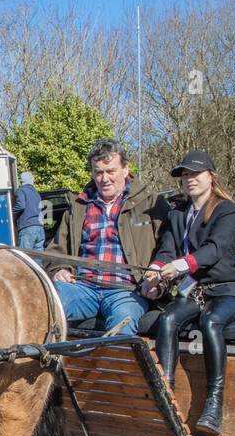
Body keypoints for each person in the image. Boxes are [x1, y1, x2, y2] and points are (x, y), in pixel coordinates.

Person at [141, 150, 235, 436]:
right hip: (193, 293)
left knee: (210, 322)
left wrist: (183, 265)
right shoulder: (177, 214)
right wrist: (154, 272)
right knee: (167, 320)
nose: (189, 179)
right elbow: (165, 250)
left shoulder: (228, 211)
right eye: (185, 175)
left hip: (226, 292)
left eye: (195, 173)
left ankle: (214, 403)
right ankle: (166, 394)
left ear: (211, 177)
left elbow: (215, 249)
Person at [43, 139, 162, 335]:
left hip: (126, 291)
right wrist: (59, 269)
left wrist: (158, 283)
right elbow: (55, 251)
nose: (104, 178)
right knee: (42, 304)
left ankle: (119, 366)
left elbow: (169, 250)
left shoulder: (151, 203)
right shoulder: (79, 206)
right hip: (82, 288)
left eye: (110, 171)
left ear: (125, 169)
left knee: (122, 323)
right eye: (98, 172)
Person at [13, 172, 45, 251]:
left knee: (25, 257)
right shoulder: (36, 193)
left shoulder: (21, 191)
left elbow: (21, 206)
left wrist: (9, 212)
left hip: (28, 227)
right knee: (38, 258)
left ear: (22, 181)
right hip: (39, 228)